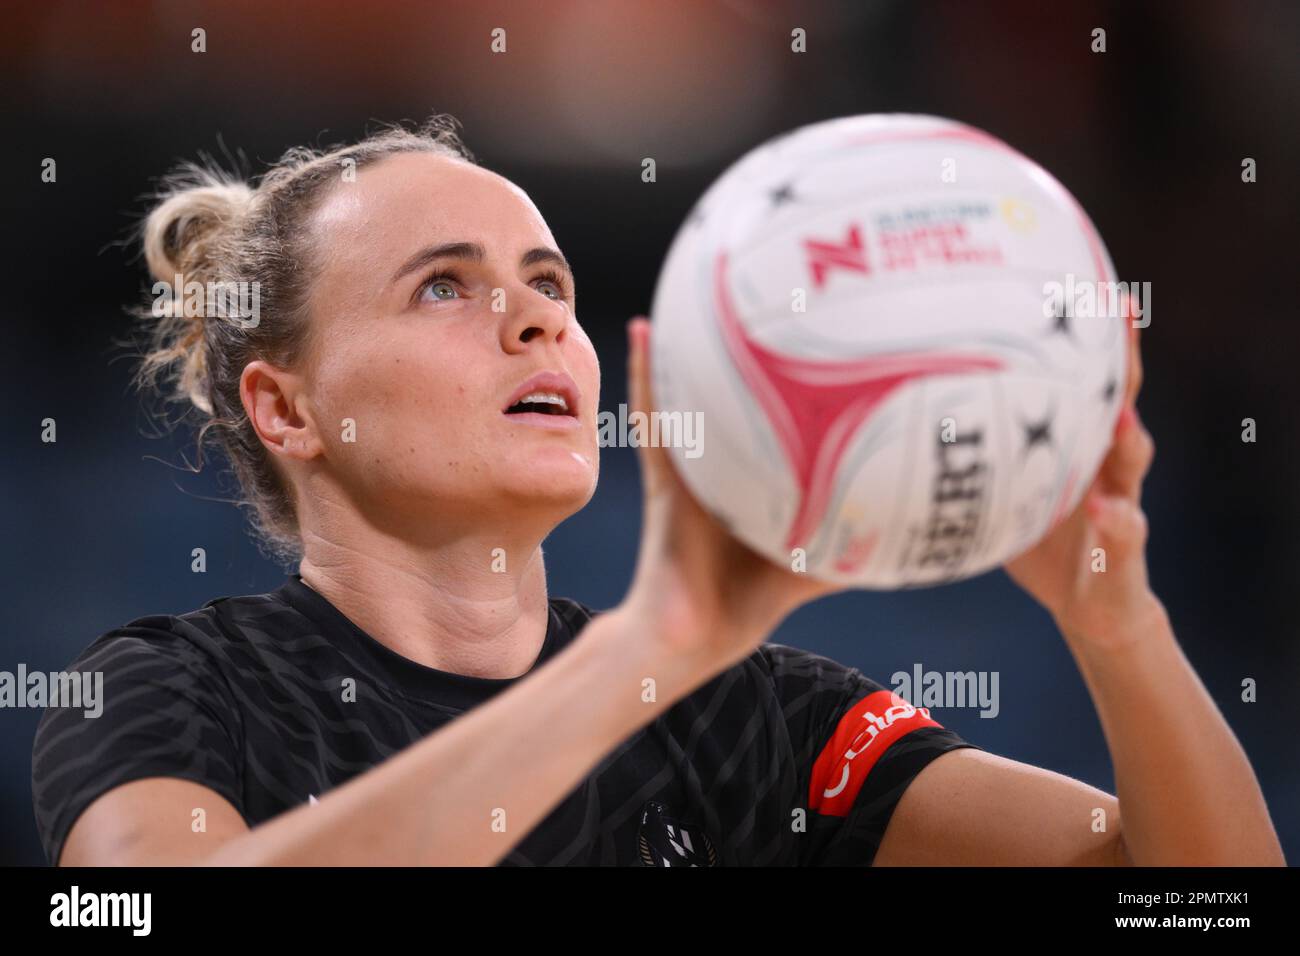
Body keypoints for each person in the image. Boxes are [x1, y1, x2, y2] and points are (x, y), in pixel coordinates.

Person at [31, 116, 1284, 866]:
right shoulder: (157, 690)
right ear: (286, 407)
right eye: (444, 286)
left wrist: (1116, 621)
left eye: (549, 284)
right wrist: (654, 640)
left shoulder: (740, 712)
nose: (532, 320)